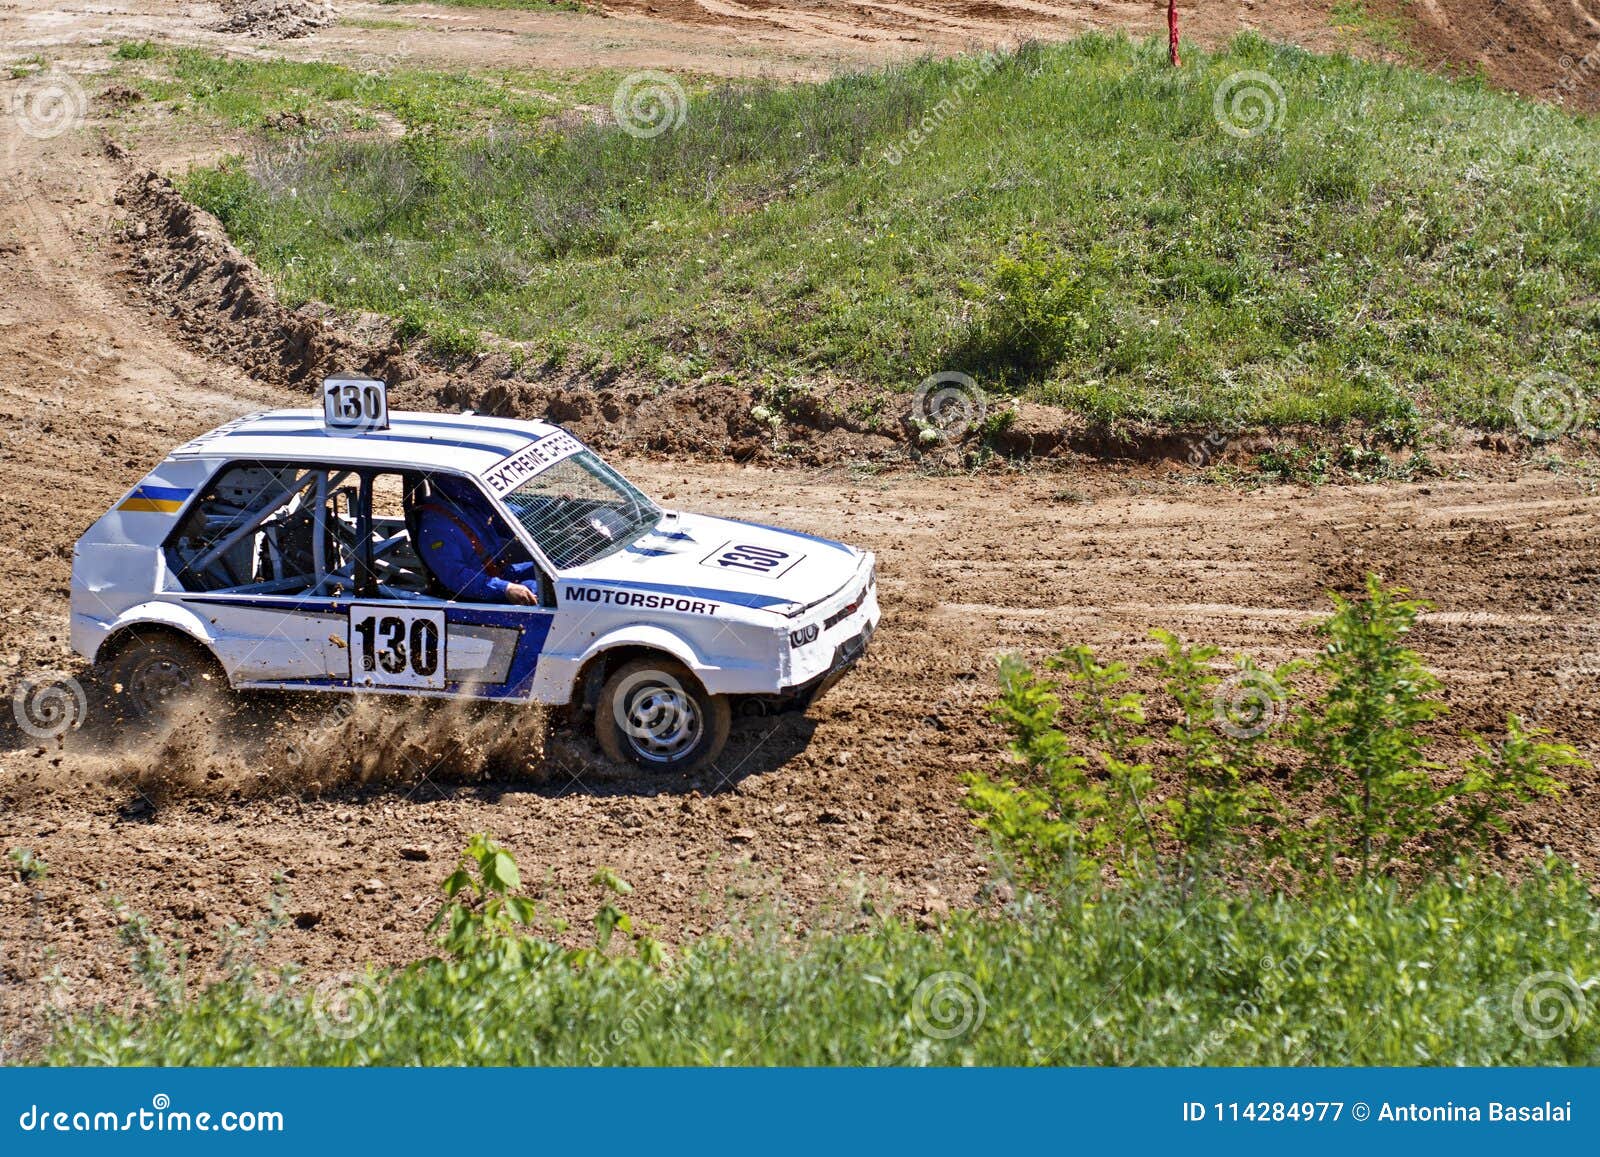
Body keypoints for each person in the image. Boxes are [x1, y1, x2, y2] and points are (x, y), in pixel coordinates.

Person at [412, 474, 542, 605]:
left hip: (500, 572)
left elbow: (508, 516)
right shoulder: (436, 528)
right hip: (480, 591)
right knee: (543, 592)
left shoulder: (468, 502)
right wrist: (505, 588)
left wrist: (545, 511)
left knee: (546, 573)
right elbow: (456, 577)